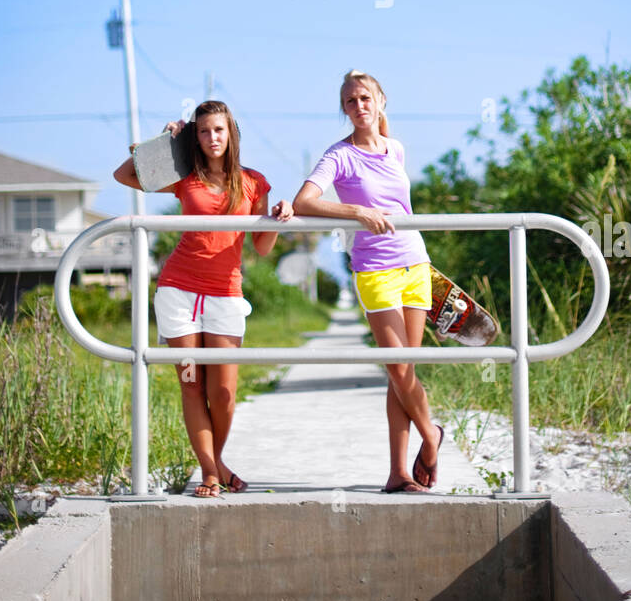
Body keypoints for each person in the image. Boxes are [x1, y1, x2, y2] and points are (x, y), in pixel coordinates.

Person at [114, 100, 292, 497]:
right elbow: (124, 173)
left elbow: (262, 248)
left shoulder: (253, 182)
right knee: (192, 385)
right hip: (179, 292)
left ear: (231, 135)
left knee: (224, 393)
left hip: (225, 295)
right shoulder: (185, 177)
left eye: (219, 130)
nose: (212, 138)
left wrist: (281, 218)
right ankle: (211, 473)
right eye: (204, 131)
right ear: (196, 136)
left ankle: (216, 465)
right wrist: (166, 143)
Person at [292, 70, 443, 493]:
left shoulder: (395, 148)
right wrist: (356, 212)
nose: (358, 107)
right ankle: (431, 437)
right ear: (344, 109)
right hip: (375, 271)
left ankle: (399, 473)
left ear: (380, 101)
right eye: (350, 101)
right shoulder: (338, 156)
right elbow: (306, 200)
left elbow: (393, 183)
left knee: (404, 371)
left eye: (365, 98)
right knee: (397, 366)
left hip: (415, 263)